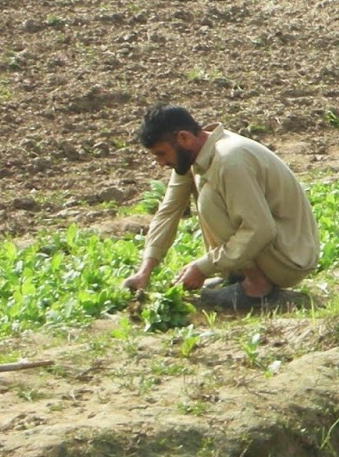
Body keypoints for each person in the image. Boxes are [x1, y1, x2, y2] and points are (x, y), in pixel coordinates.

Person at [124, 105, 319, 312]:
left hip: (290, 258)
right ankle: (242, 275)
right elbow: (169, 211)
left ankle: (257, 287)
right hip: (273, 249)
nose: (161, 163)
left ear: (183, 138)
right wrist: (144, 271)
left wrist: (203, 267)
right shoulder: (193, 155)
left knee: (208, 199)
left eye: (162, 154)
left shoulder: (230, 160)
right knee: (208, 195)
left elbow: (261, 229)